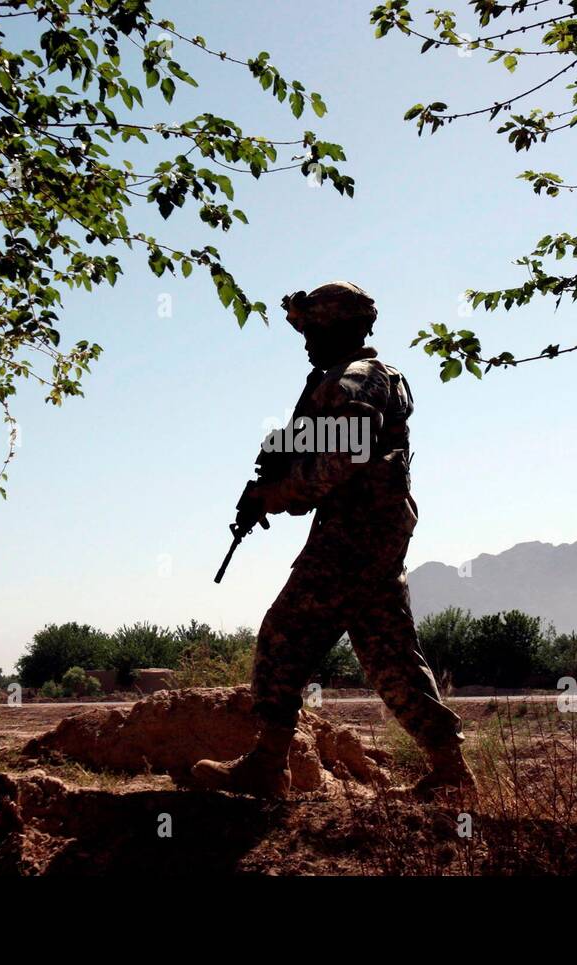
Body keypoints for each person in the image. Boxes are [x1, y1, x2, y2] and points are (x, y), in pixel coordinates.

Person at [191, 281, 476, 798]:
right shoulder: (357, 380)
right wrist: (283, 480)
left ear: (337, 326)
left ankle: (268, 765)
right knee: (390, 656)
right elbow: (331, 456)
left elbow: (345, 455)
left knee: (283, 636)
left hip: (356, 534)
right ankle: (452, 775)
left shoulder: (356, 379)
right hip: (371, 532)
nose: (306, 342)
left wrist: (278, 491)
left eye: (313, 329)